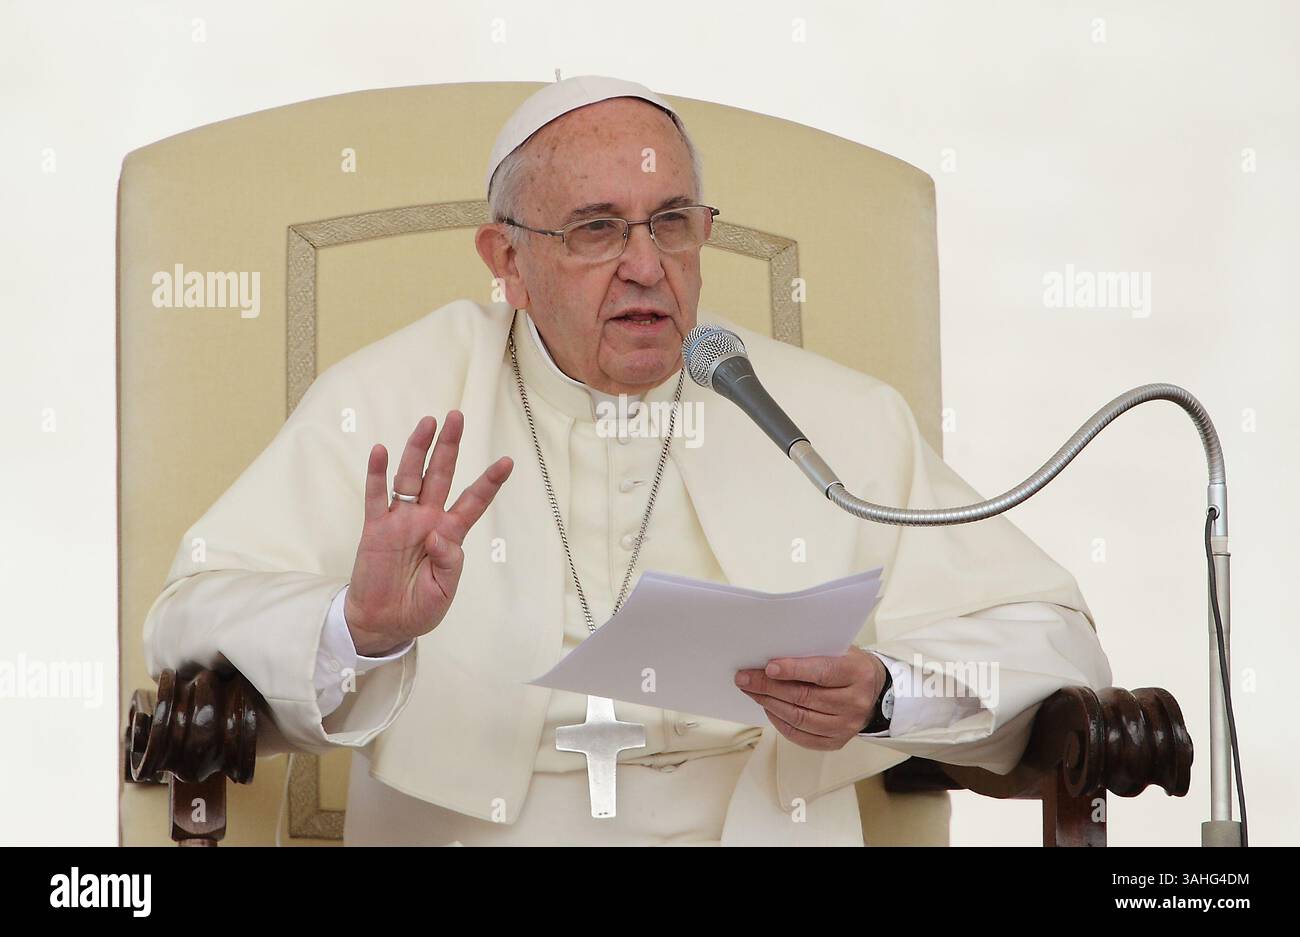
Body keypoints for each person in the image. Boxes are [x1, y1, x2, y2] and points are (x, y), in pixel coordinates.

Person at [143, 75, 1111, 846]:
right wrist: (357, 632)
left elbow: (1053, 643)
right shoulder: (396, 402)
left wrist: (889, 694)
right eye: (597, 229)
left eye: (673, 223)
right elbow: (191, 613)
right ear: (506, 261)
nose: (645, 265)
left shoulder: (829, 422)